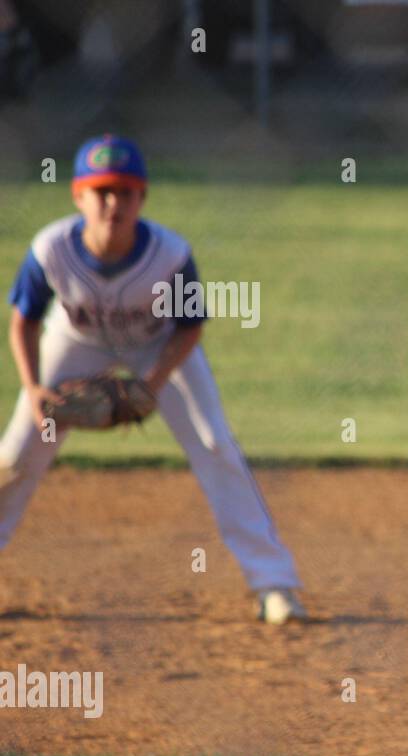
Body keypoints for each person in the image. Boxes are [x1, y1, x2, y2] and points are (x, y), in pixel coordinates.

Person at [1, 133, 305, 624]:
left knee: (213, 442)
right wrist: (34, 388)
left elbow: (189, 328)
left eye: (125, 191)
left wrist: (152, 383)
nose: (113, 203)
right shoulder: (51, 249)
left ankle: (274, 584)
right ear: (78, 196)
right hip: (74, 341)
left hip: (157, 344)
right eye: (101, 191)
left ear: (142, 197)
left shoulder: (169, 255)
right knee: (16, 453)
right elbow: (24, 322)